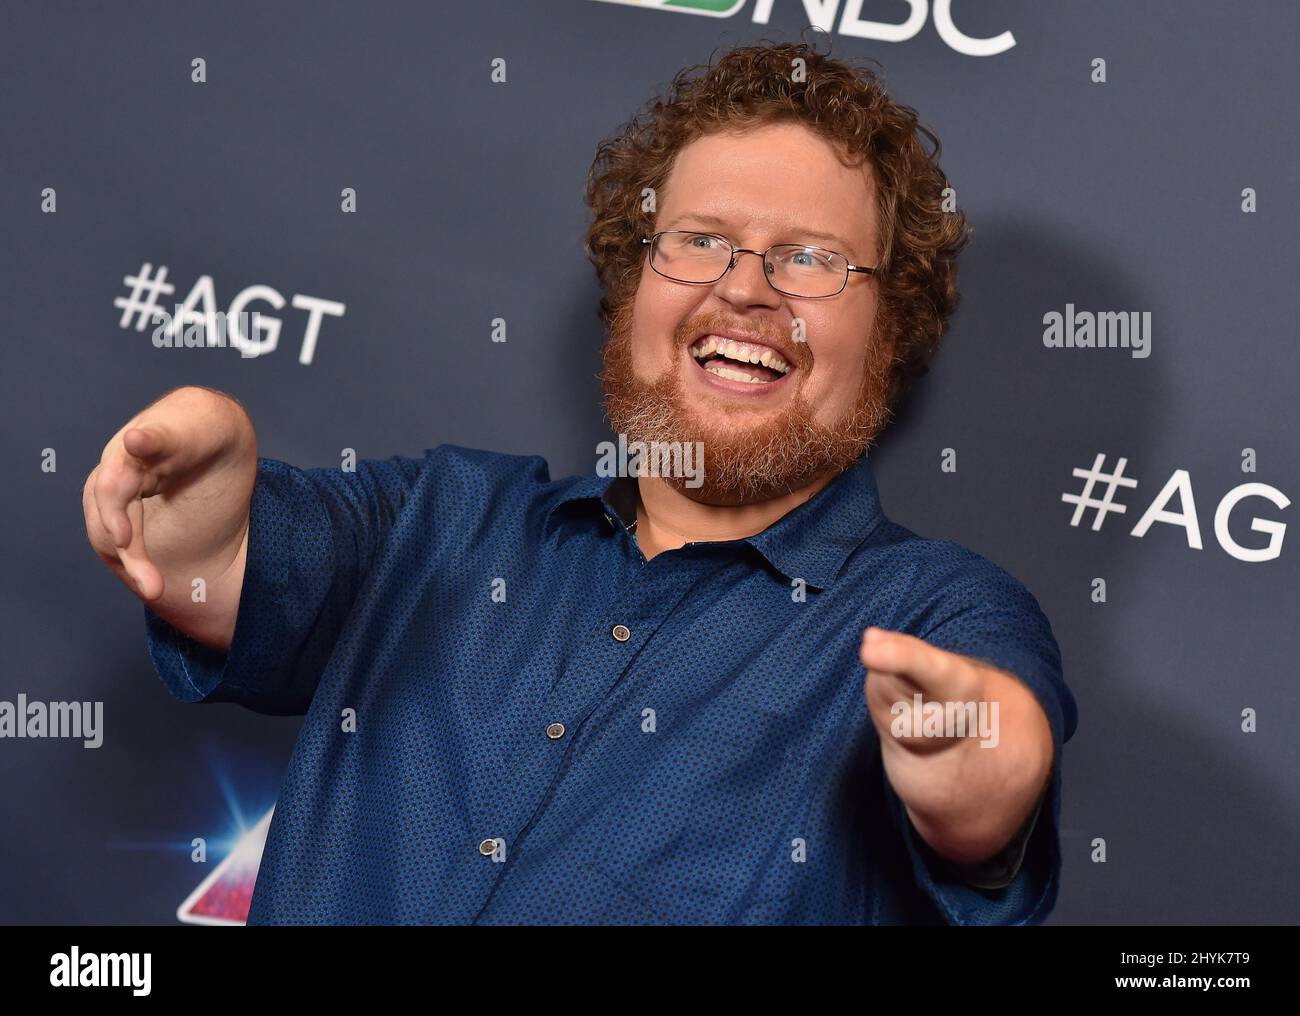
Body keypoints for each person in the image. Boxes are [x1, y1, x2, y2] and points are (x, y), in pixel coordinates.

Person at [83, 40, 1076, 924]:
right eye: (699, 239)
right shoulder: (439, 520)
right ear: (633, 280)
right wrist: (188, 499)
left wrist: (975, 776)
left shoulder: (935, 610)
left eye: (808, 258)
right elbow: (211, 565)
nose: (743, 286)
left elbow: (992, 765)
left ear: (890, 329)